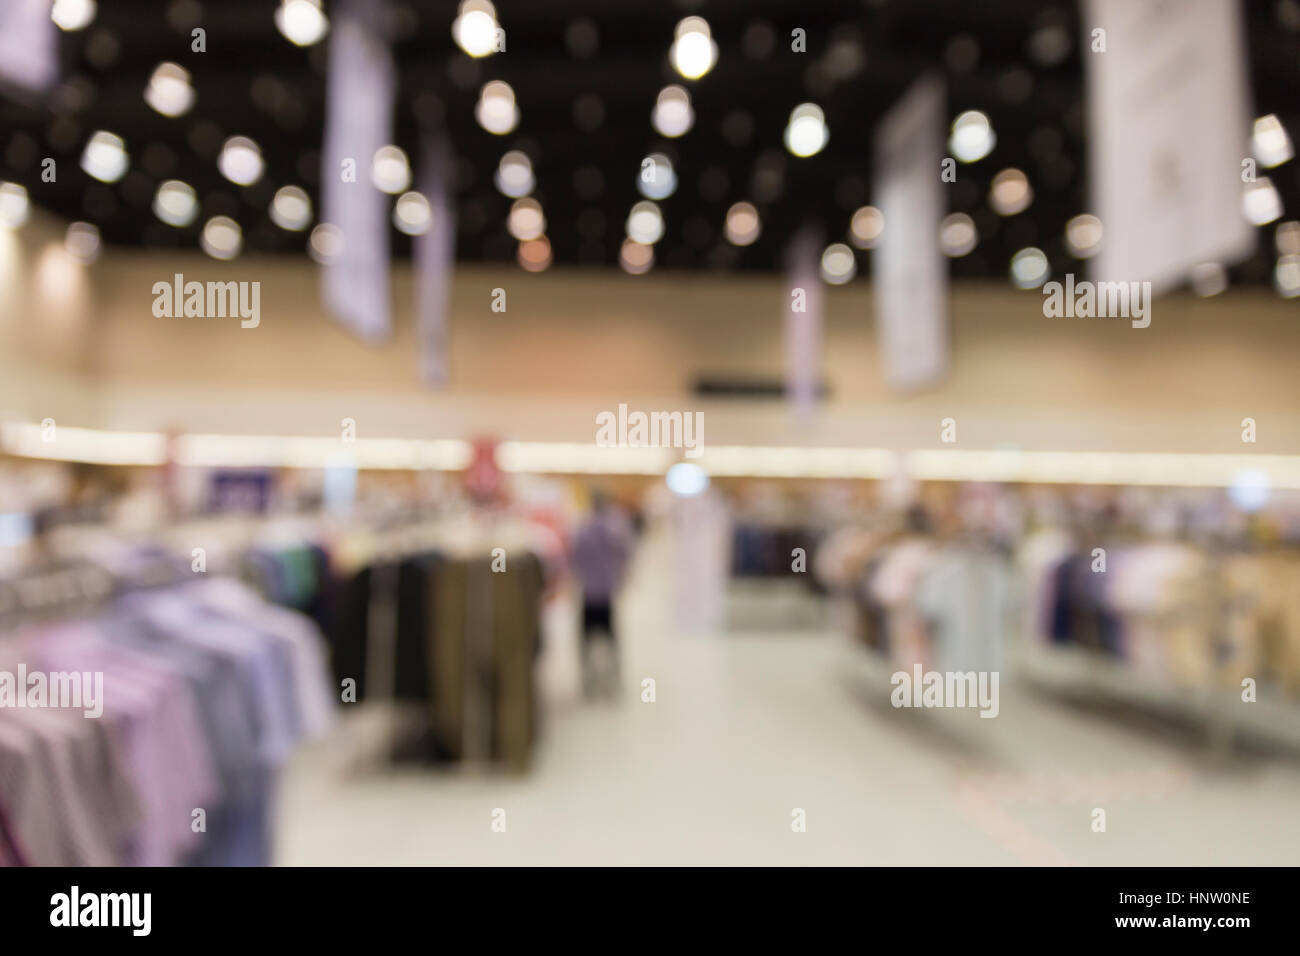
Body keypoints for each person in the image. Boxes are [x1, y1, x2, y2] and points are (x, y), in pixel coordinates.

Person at [571, 490, 635, 698]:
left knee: (587, 640)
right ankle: (612, 678)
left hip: (589, 592)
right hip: (606, 592)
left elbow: (574, 557)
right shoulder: (614, 529)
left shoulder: (583, 528)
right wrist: (621, 578)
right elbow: (625, 555)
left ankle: (589, 679)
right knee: (610, 638)